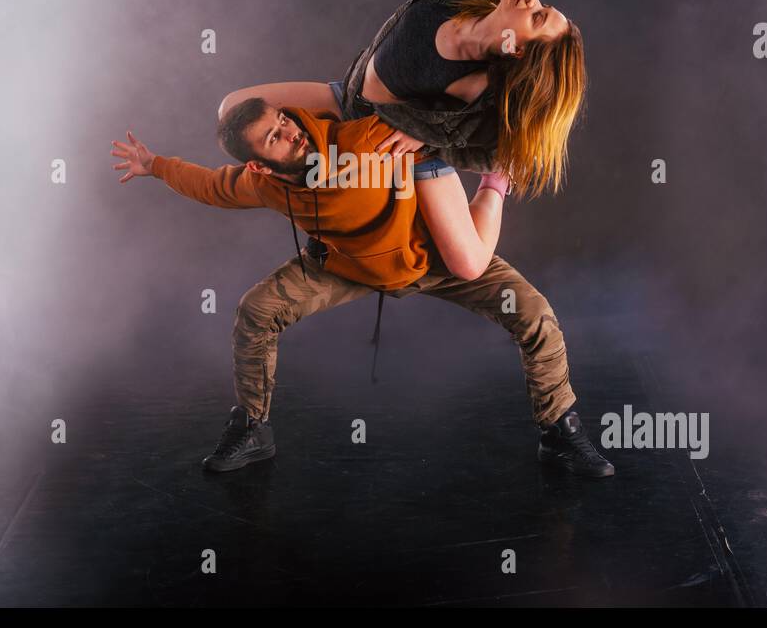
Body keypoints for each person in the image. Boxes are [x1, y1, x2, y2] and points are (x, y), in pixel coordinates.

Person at [110, 97, 614, 478]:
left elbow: (442, 117)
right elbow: (211, 185)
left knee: (533, 312)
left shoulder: (358, 139)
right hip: (346, 266)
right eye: (274, 138)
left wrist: (517, 120)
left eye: (283, 121)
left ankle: (560, 432)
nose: (290, 134)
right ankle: (251, 429)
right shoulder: (261, 184)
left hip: (431, 253)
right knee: (256, 310)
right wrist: (154, 165)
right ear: (259, 165)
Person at [216, 0, 614, 201]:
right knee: (232, 109)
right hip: (347, 95)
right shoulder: (483, 3)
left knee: (467, 263)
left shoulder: (477, 86)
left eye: (539, 16)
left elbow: (501, 148)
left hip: (385, 139)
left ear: (517, 48)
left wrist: (430, 143)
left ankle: (494, 187)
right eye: (541, 5)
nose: (532, 1)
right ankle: (277, 170)